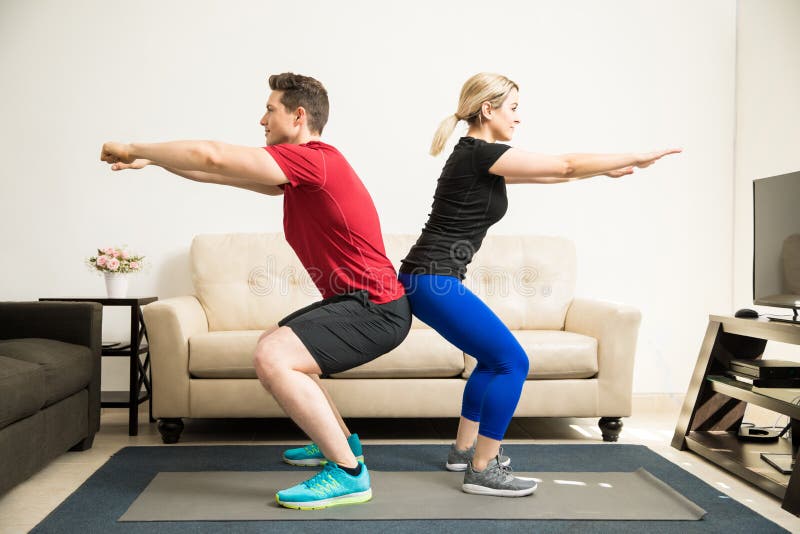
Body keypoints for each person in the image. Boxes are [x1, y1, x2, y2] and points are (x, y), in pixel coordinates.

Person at [100, 72, 412, 510]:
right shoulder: (302, 172)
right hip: (359, 303)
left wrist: (136, 147)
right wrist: (155, 163)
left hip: (376, 307)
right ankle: (341, 445)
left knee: (273, 358)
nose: (261, 119)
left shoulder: (316, 160)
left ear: (298, 116)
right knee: (273, 345)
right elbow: (216, 173)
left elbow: (210, 155)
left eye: (270, 109)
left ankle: (348, 474)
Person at [397, 72, 681, 497]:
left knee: (492, 360)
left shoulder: (480, 157)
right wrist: (636, 156)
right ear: (488, 109)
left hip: (428, 278)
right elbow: (563, 163)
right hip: (431, 279)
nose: (518, 118)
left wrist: (601, 174)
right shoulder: (479, 153)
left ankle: (464, 451)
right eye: (513, 108)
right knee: (513, 362)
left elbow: (555, 175)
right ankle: (483, 468)